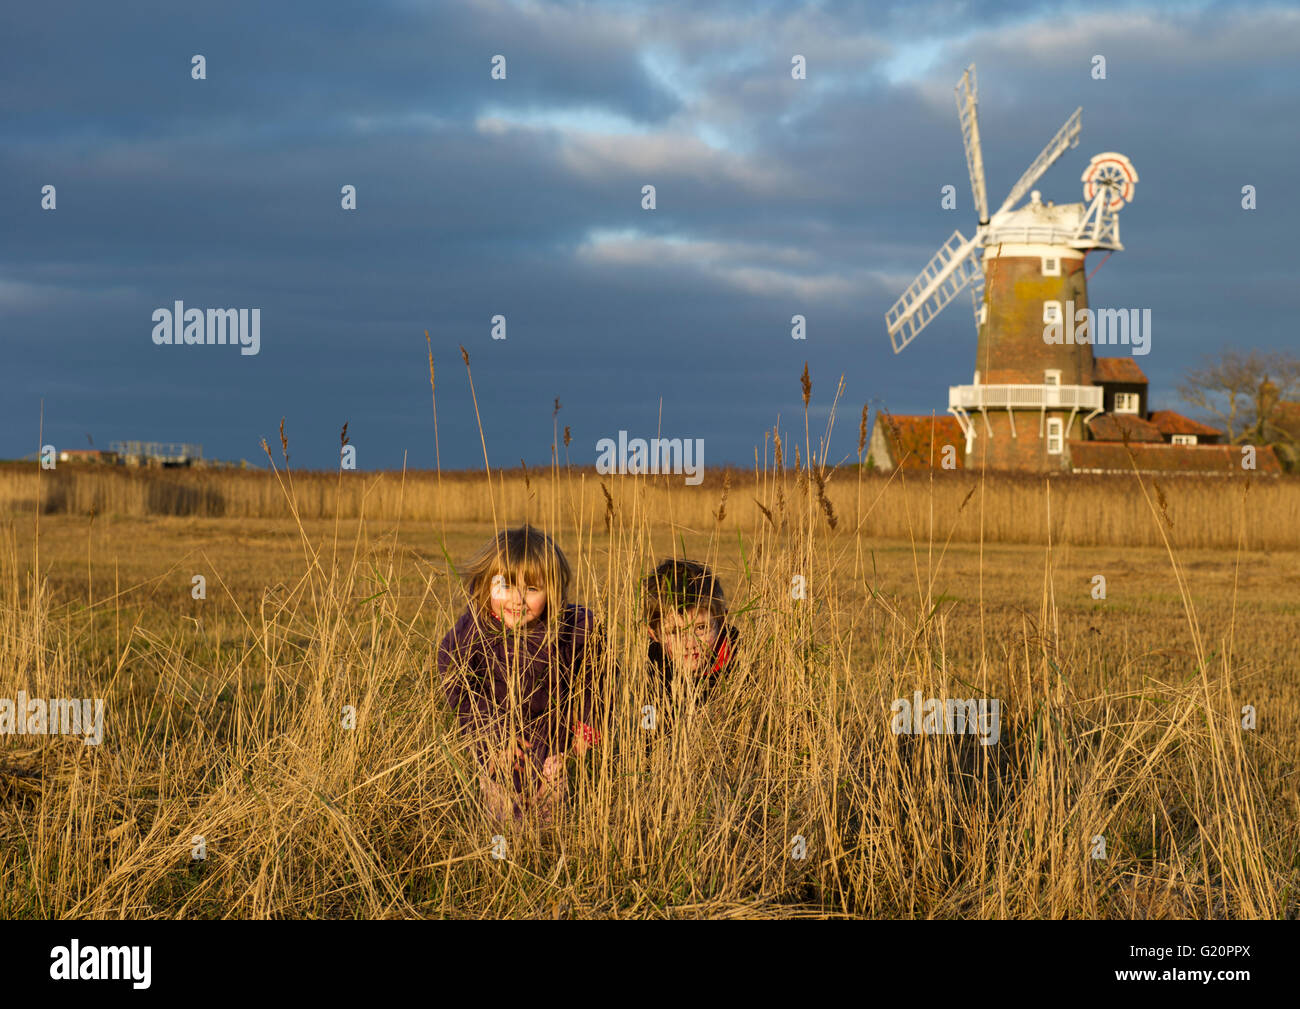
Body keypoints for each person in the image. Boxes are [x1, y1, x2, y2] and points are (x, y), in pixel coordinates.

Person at [438, 525, 602, 822]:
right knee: (502, 823)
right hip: (498, 752)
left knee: (550, 827)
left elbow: (595, 680)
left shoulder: (570, 631)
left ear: (552, 591)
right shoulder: (475, 630)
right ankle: (502, 860)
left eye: (532, 589)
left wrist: (586, 731)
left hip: (555, 749)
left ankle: (546, 858)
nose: (517, 600)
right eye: (506, 586)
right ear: (486, 583)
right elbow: (457, 681)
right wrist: (491, 736)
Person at [642, 559, 737, 735]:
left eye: (701, 628)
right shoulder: (654, 667)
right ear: (654, 634)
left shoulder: (740, 661)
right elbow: (649, 732)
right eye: (675, 632)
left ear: (721, 621)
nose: (690, 643)